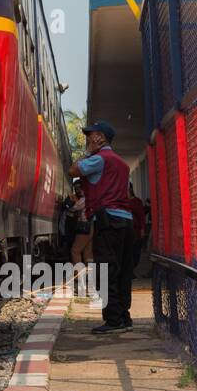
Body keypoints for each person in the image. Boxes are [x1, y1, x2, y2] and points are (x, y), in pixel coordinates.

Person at [69, 121, 136, 333]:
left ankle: (113, 321)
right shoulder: (122, 164)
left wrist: (87, 152)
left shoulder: (99, 159)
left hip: (108, 220)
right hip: (126, 221)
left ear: (100, 138)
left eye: (91, 136)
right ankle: (124, 317)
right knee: (124, 271)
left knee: (106, 270)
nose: (88, 140)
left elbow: (72, 170)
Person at [67, 180, 91, 267]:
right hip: (92, 226)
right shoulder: (92, 197)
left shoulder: (84, 199)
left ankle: (79, 275)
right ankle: (90, 275)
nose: (78, 190)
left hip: (84, 227)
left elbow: (73, 208)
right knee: (87, 252)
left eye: (80, 188)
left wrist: (72, 199)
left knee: (75, 251)